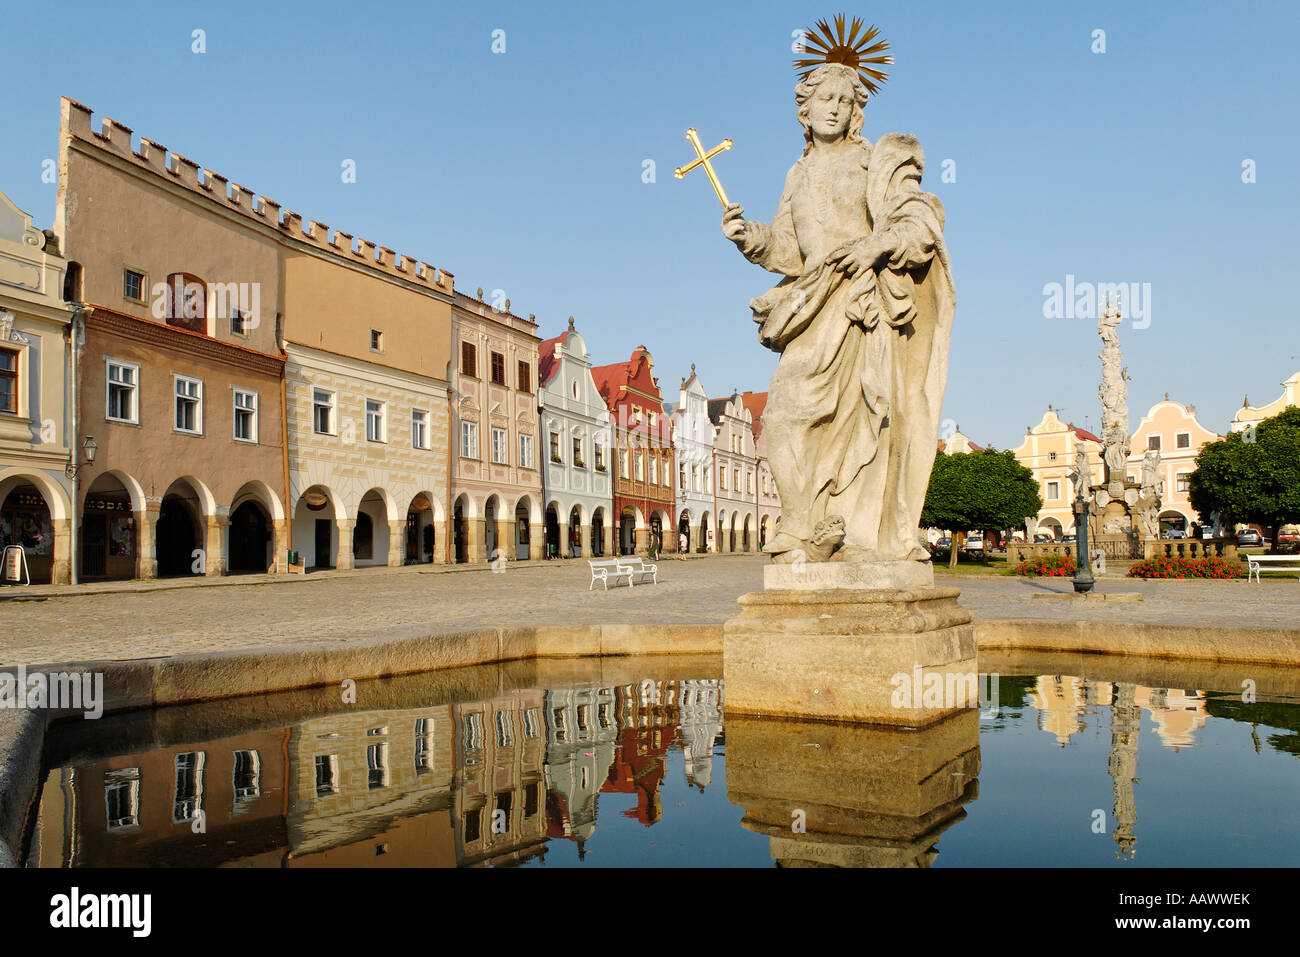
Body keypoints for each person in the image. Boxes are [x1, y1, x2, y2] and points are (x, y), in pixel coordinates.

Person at [722, 62, 954, 564]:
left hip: (862, 304)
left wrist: (877, 246)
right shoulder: (798, 172)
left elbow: (921, 223)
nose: (833, 107)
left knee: (863, 417)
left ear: (855, 112)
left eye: (843, 100)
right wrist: (752, 239)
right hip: (811, 303)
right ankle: (802, 522)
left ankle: (850, 531)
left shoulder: (875, 163)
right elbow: (790, 248)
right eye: (823, 99)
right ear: (804, 111)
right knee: (782, 416)